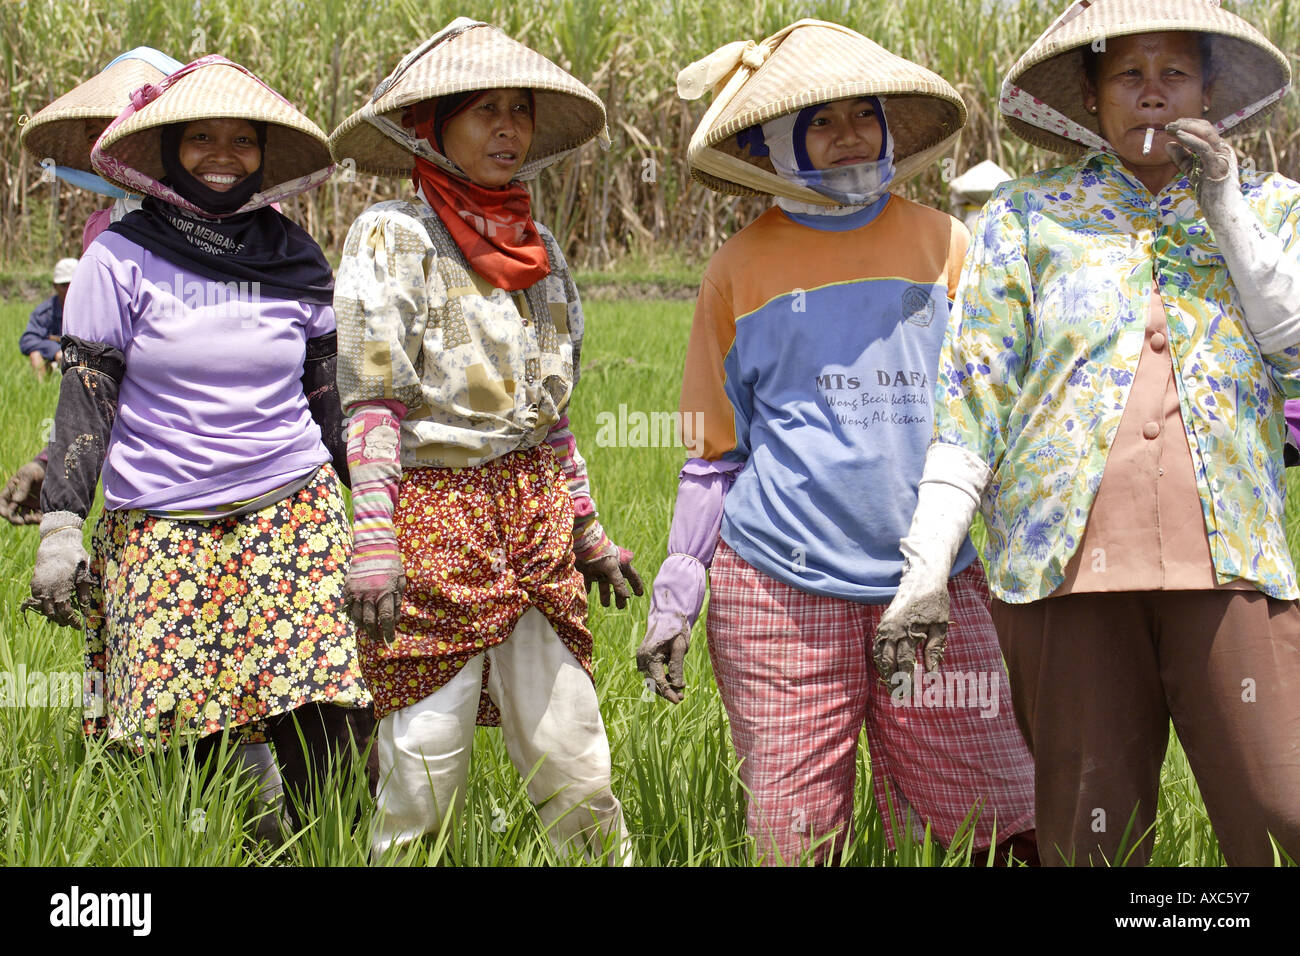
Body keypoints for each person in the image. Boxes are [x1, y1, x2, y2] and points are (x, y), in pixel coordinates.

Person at [877, 0, 1300, 866]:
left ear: (1209, 91)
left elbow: (1294, 351)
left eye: (1174, 74)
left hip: (1229, 554)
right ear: (1093, 98)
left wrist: (1224, 207)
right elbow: (972, 395)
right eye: (1128, 76)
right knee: (1091, 838)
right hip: (1062, 573)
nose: (1151, 94)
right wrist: (925, 567)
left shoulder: (1272, 207)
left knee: (1279, 809)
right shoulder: (1028, 218)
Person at [638, 19, 1036, 866]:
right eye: (821, 121)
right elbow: (712, 451)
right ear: (777, 141)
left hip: (937, 580)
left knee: (989, 823)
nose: (850, 133)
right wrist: (677, 591)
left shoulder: (946, 246)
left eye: (864, 112)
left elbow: (990, 417)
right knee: (794, 834)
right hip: (780, 586)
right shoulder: (737, 269)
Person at [25, 54, 371, 833]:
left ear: (263, 155)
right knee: (198, 732)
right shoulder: (119, 258)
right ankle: (249, 847)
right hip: (163, 523)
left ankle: (335, 852)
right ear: (171, 148)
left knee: (325, 702)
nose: (224, 156)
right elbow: (87, 396)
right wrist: (59, 530)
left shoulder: (296, 255)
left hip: (292, 508)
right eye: (202, 138)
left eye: (243, 140)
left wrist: (385, 515)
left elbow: (330, 403)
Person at [328, 18, 640, 861]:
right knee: (423, 765)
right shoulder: (395, 235)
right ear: (433, 126)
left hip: (533, 520)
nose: (507, 129)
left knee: (573, 755)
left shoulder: (539, 250)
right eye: (483, 111)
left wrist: (590, 533)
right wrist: (375, 541)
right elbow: (374, 404)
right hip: (435, 520)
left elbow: (552, 418)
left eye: (519, 111)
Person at [4, 48, 186, 525]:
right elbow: (97, 373)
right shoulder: (103, 233)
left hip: (262, 487)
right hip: (143, 492)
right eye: (95, 136)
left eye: (121, 127)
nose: (106, 146)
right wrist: (53, 463)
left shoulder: (246, 223)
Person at [20, 258, 77, 380]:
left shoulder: (92, 310)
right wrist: (56, 351)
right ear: (55, 286)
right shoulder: (45, 312)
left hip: (86, 360)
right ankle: (40, 393)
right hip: (56, 359)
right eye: (64, 285)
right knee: (35, 355)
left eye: (73, 284)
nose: (69, 290)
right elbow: (28, 340)